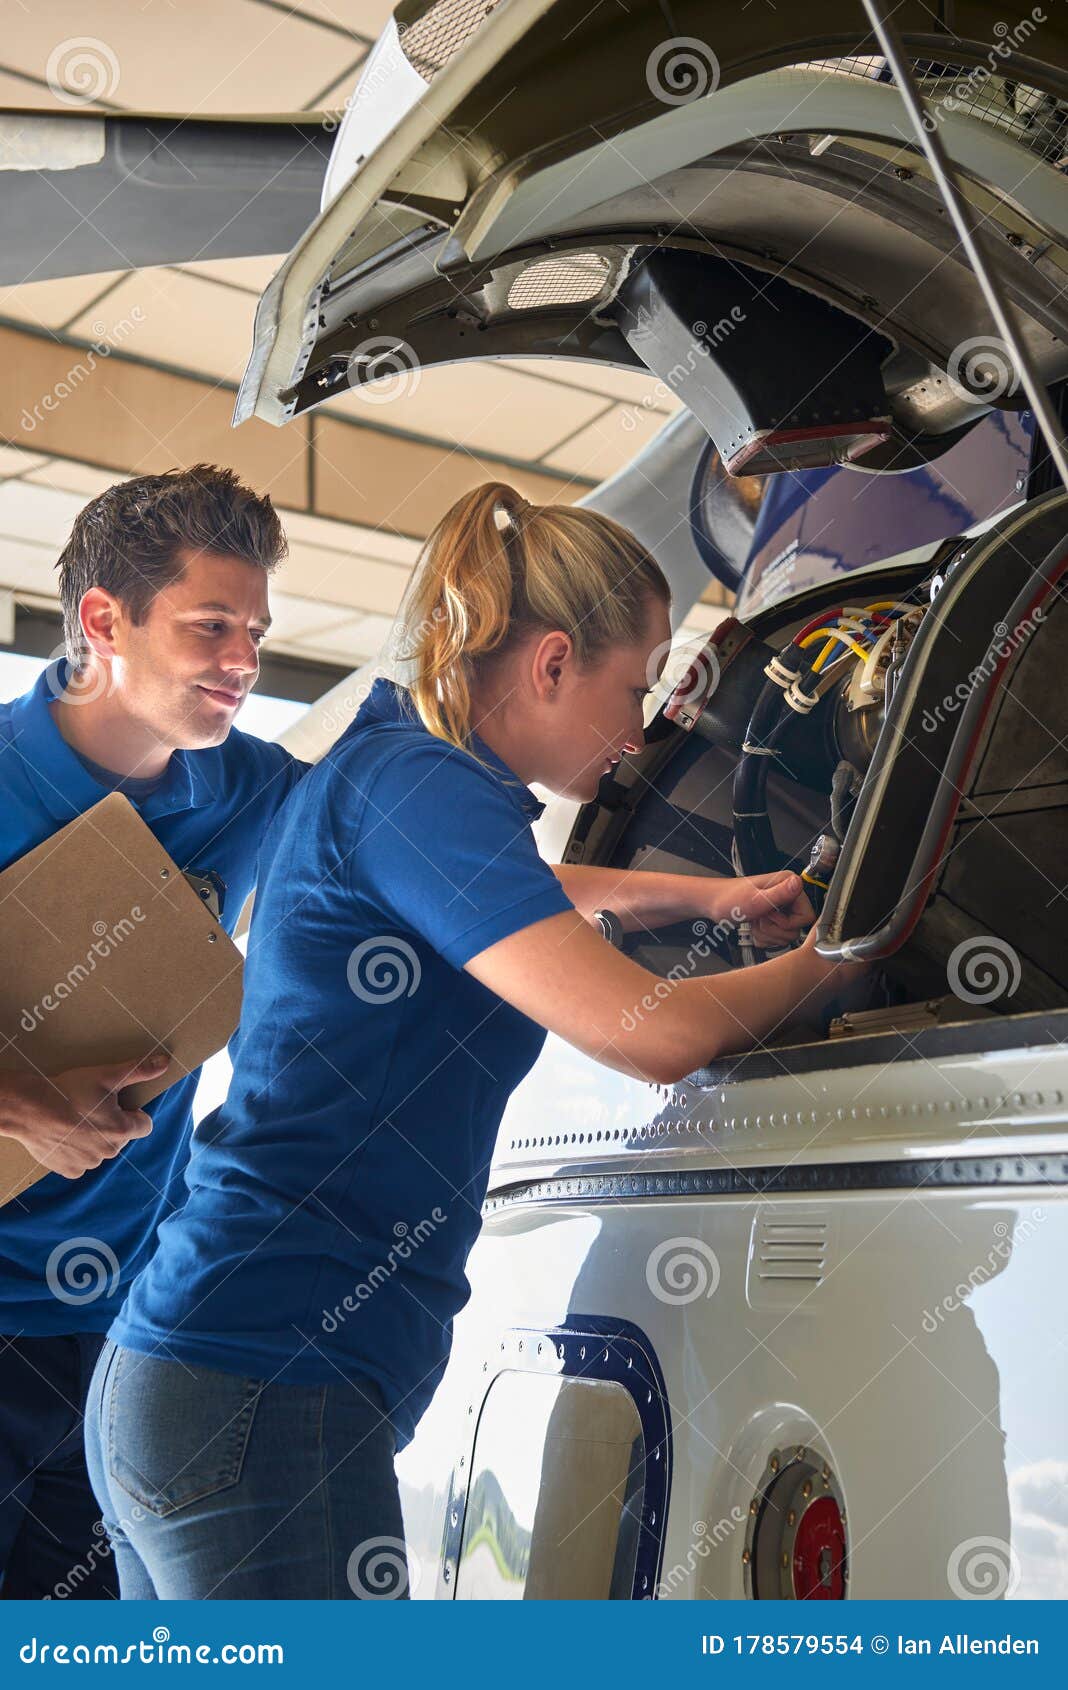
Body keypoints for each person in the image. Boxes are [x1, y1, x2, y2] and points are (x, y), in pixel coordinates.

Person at [85, 481, 857, 1599]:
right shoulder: (426, 789)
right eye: (632, 690)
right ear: (551, 664)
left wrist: (712, 902)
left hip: (192, 1373)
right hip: (265, 1385)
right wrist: (849, 952)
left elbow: (512, 890)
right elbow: (657, 1036)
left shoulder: (394, 770)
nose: (641, 736)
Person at [0, 465, 311, 1599]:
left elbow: (442, 867)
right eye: (210, 626)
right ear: (102, 622)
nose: (243, 661)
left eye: (257, 632)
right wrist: (27, 1105)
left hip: (131, 1324)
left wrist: (694, 899)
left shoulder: (252, 788)